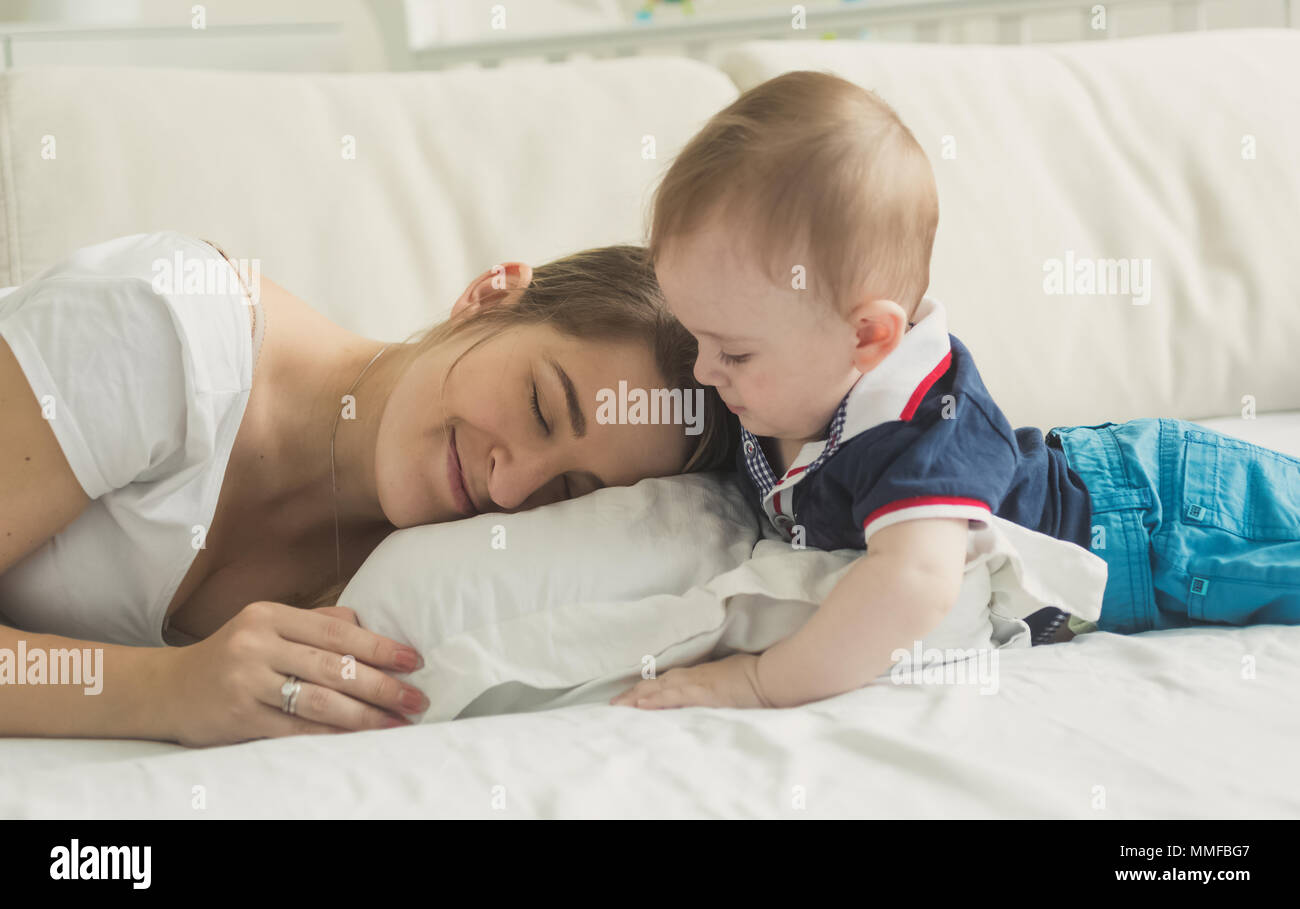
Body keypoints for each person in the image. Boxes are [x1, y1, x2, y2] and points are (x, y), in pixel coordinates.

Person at [612, 70, 1300, 712]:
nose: (702, 370)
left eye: (731, 350)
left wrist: (760, 680)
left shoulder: (923, 423)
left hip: (1161, 518)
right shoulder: (777, 383)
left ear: (867, 338)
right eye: (700, 339)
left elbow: (914, 583)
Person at [0, 231, 735, 745]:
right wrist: (168, 687)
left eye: (569, 489)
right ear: (489, 296)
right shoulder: (164, 329)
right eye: (541, 405)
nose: (512, 488)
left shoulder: (414, 579)